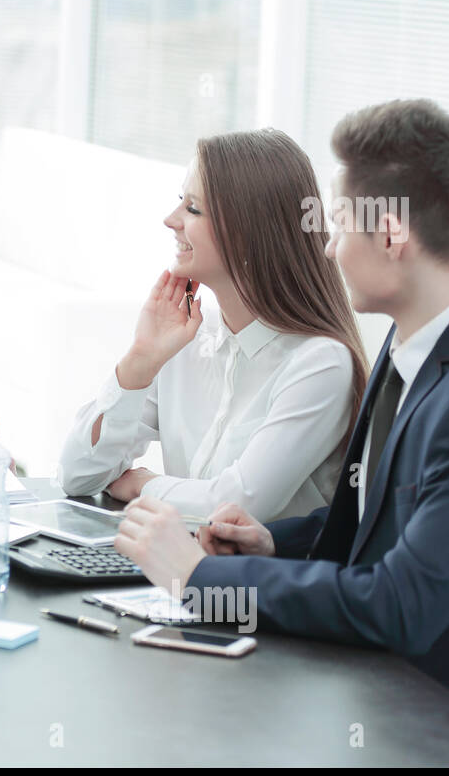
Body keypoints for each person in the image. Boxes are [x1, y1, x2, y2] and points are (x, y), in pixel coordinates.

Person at [114, 99, 449, 751]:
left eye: (341, 222)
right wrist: (274, 543)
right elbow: (381, 523)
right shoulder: (411, 342)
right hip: (382, 704)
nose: (326, 245)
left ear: (392, 235)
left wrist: (202, 580)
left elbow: (400, 603)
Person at [57, 129, 368, 523]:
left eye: (193, 209)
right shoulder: (185, 337)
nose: (170, 220)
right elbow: (77, 475)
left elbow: (236, 506)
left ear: (249, 231)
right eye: (179, 203)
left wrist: (143, 485)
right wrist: (139, 362)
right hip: (181, 571)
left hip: (256, 583)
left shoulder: (320, 364)